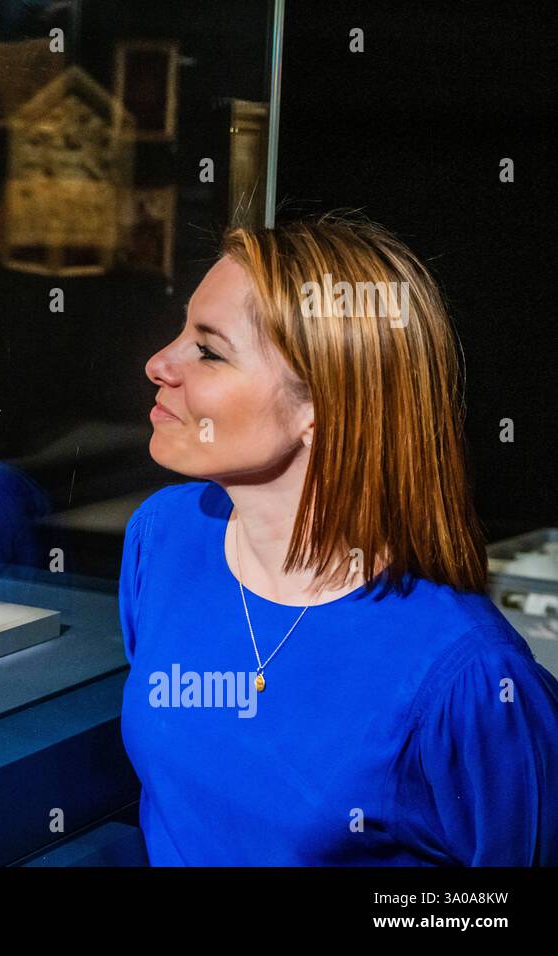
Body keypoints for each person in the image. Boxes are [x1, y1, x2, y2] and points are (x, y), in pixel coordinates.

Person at [119, 212, 558, 865]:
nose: (158, 363)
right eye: (182, 331)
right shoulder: (166, 535)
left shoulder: (469, 679)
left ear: (321, 403)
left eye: (208, 349)